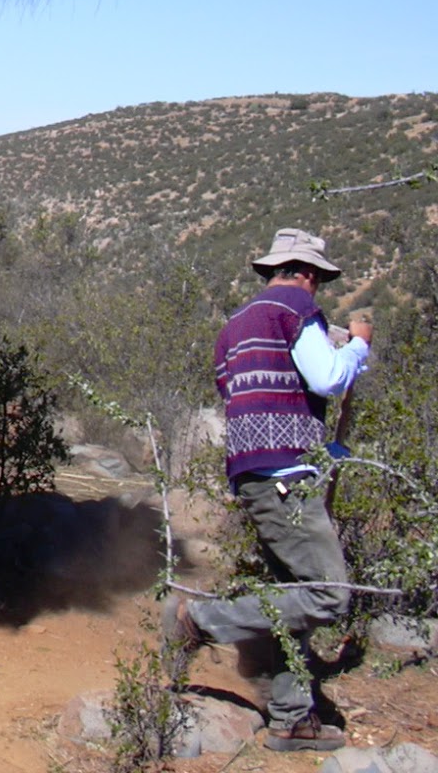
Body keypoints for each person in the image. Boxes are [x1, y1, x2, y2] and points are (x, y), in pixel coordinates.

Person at [163, 228, 371, 753]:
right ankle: (199, 618)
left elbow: (240, 388)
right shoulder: (297, 306)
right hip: (286, 474)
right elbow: (326, 379)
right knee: (327, 593)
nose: (317, 287)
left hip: (254, 471)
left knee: (292, 593)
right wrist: (359, 344)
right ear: (307, 273)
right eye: (318, 278)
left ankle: (291, 717)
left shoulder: (236, 325)